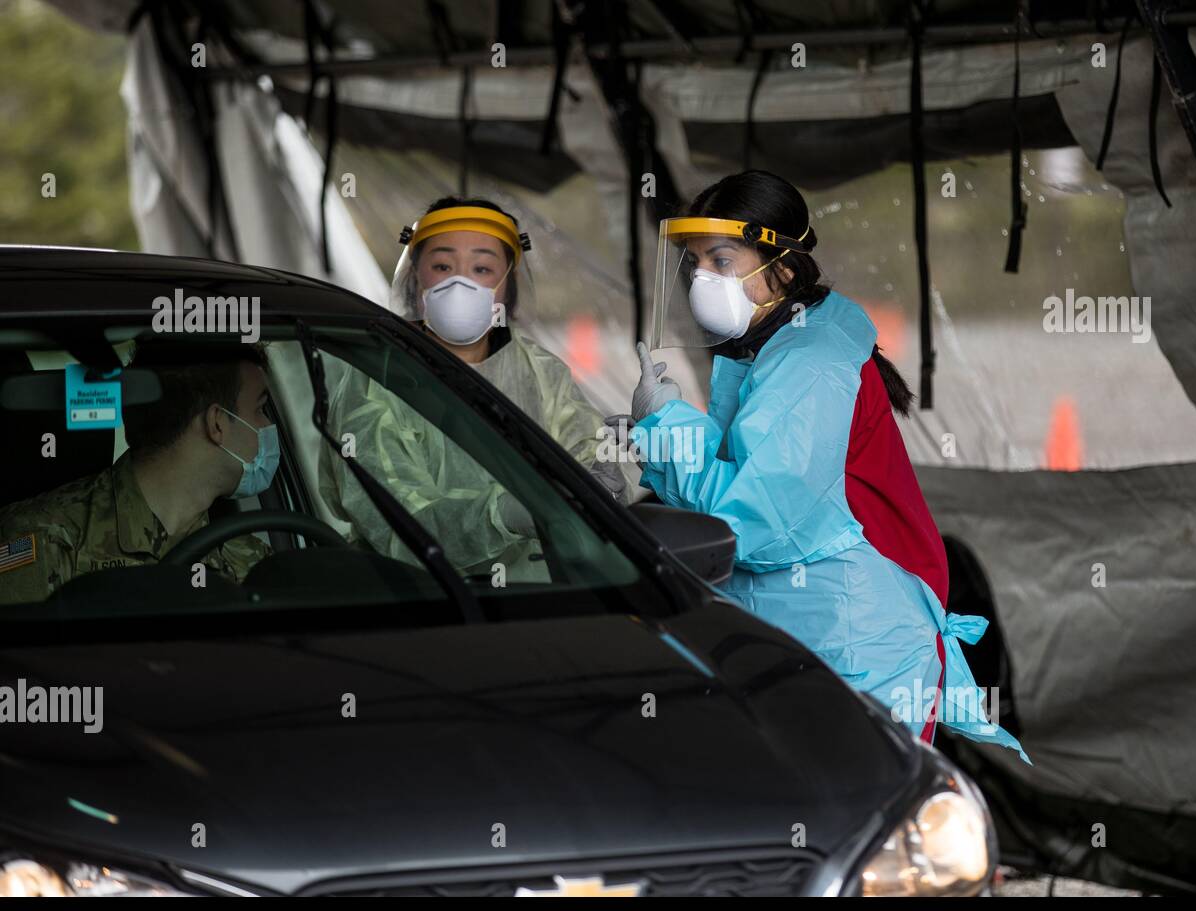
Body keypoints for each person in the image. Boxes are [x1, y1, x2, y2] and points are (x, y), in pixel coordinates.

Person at [625, 170, 1027, 762]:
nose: (704, 279)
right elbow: (751, 474)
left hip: (855, 647)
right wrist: (657, 448)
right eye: (696, 262)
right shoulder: (785, 341)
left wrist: (667, 433)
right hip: (825, 637)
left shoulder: (808, 364)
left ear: (781, 267)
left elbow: (754, 525)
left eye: (723, 260)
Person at [322, 196, 625, 579]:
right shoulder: (376, 377)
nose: (460, 284)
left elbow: (586, 454)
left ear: (509, 283)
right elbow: (395, 519)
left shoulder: (541, 371)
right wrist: (504, 514)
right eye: (442, 266)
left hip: (545, 601)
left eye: (481, 268)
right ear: (416, 278)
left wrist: (603, 487)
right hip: (419, 603)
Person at [0, 341, 276, 603]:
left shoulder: (250, 557)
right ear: (217, 424)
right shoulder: (42, 539)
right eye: (261, 409)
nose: (267, 425)